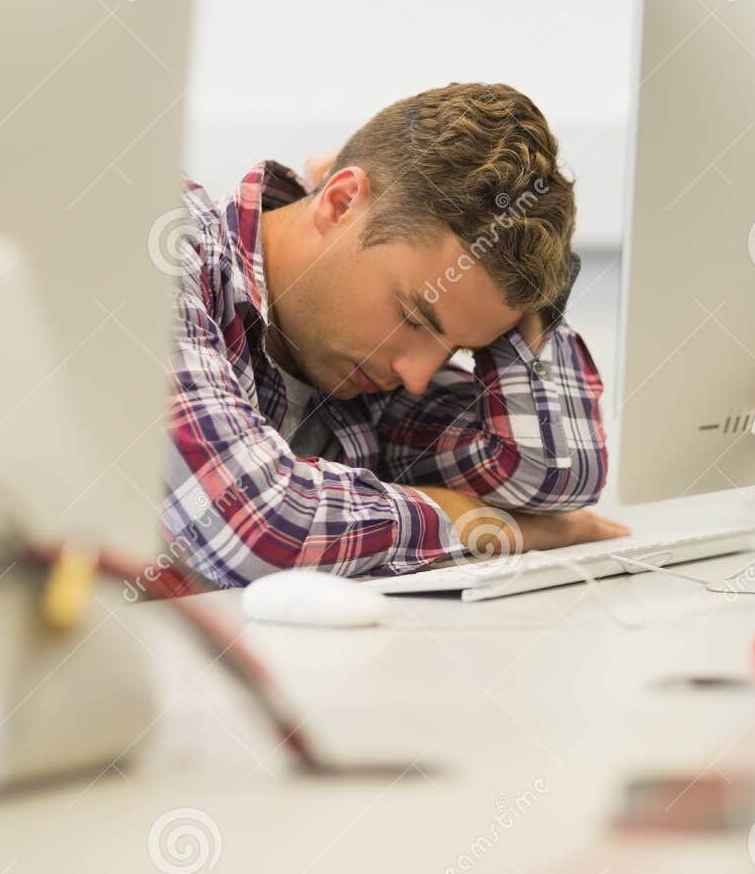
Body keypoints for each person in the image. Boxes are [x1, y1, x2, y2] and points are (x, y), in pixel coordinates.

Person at [163, 82, 628, 588]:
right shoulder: (170, 254)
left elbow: (553, 474)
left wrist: (539, 307)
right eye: (414, 317)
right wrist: (472, 520)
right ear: (340, 202)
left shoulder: (369, 379)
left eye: (459, 349)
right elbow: (258, 528)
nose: (416, 375)